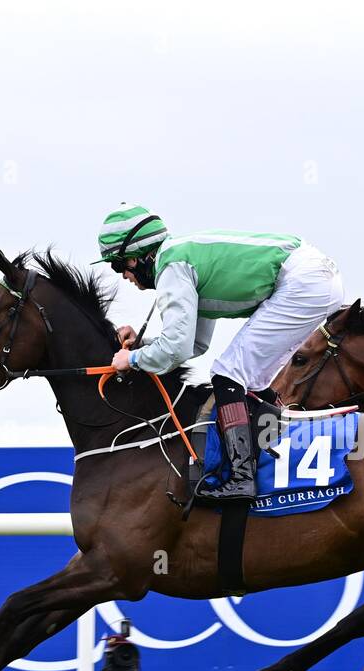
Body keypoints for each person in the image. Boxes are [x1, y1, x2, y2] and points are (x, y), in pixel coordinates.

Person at [97, 203, 345, 503]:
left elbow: (176, 348)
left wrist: (131, 360)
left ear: (136, 258)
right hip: (312, 278)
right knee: (246, 378)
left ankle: (242, 476)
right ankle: (274, 447)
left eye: (117, 265)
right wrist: (143, 344)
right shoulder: (181, 259)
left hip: (304, 282)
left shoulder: (171, 266)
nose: (123, 276)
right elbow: (193, 345)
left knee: (229, 374)